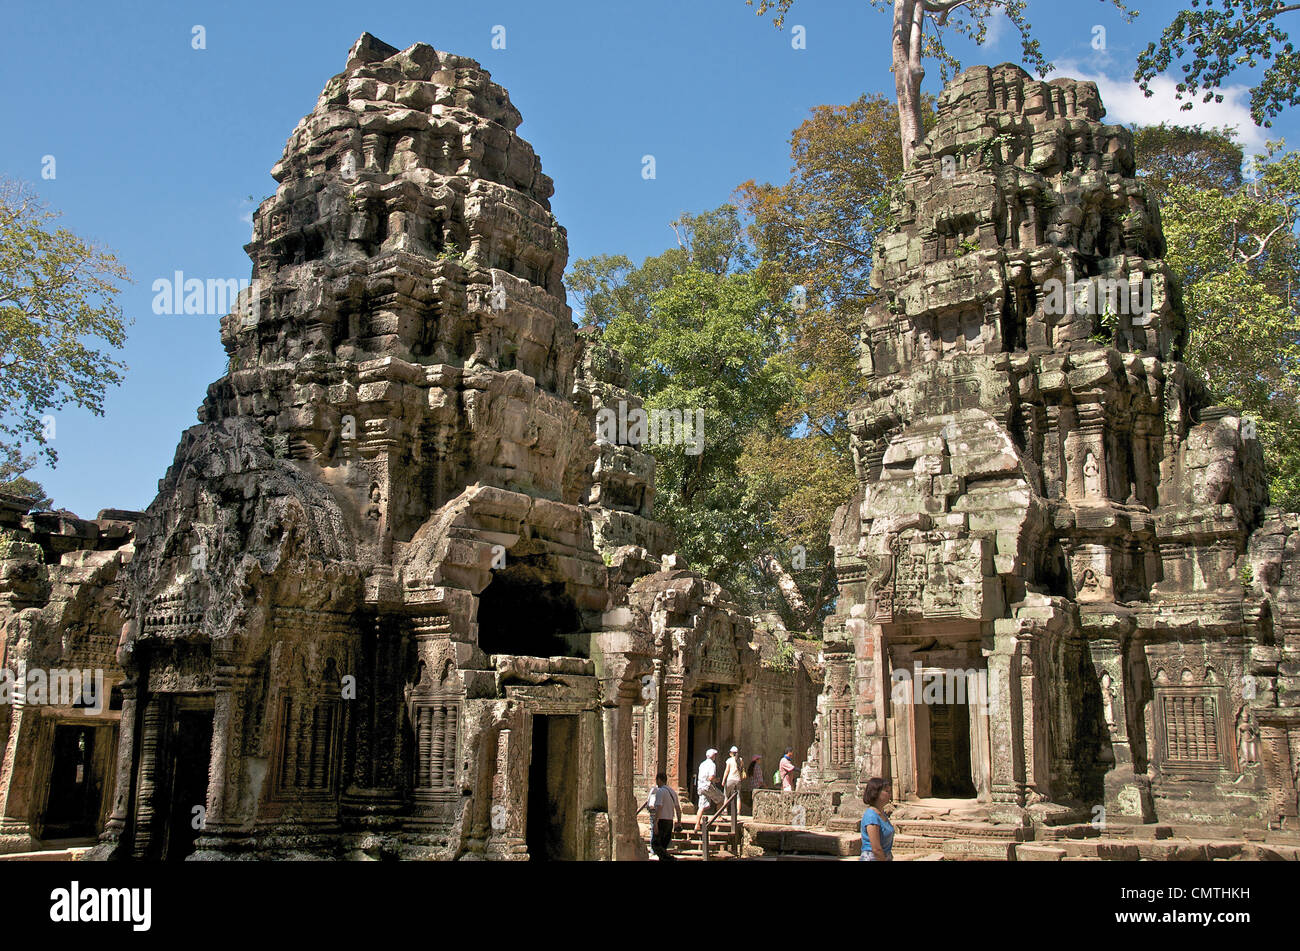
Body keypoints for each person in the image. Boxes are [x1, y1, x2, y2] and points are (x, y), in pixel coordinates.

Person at [645, 772, 681, 861]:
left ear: (659, 780)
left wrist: (655, 823)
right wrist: (679, 821)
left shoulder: (660, 791)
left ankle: (670, 859)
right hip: (670, 821)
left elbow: (659, 807)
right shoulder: (672, 792)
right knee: (663, 846)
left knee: (655, 844)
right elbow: (678, 809)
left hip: (662, 821)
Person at [860, 777, 894, 862]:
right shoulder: (871, 816)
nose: (890, 794)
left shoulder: (882, 813)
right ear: (876, 793)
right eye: (886, 791)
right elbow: (876, 849)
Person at [695, 748, 723, 831]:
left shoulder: (702, 764)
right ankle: (718, 817)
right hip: (708, 786)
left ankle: (697, 824)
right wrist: (716, 780)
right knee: (721, 798)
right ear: (713, 756)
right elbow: (711, 777)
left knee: (701, 806)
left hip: (701, 786)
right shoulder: (712, 764)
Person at [721, 746, 744, 826]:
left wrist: (723, 780)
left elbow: (727, 770)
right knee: (738, 797)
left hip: (730, 779)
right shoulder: (740, 760)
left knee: (726, 795)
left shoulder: (729, 760)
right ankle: (738, 811)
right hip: (738, 780)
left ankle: (725, 810)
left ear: (731, 753)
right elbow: (741, 770)